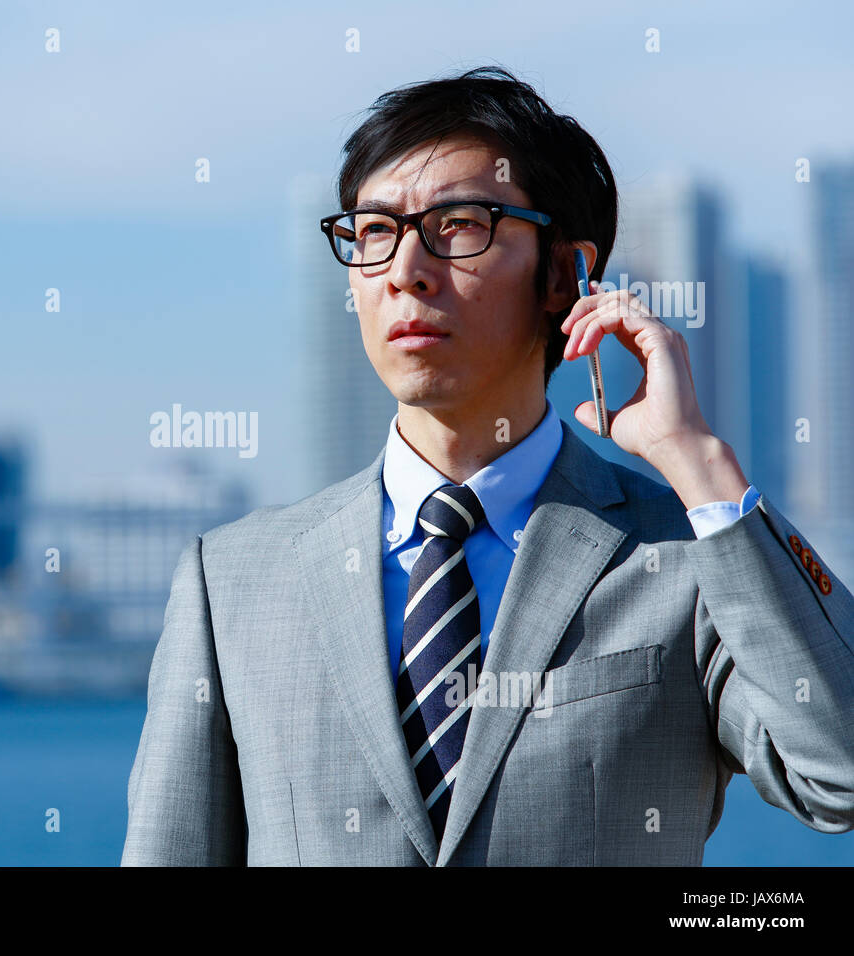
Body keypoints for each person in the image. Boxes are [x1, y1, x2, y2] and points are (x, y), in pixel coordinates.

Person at [121, 66, 854, 866]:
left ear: (566, 274)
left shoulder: (680, 557)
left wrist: (698, 463)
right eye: (373, 232)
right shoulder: (232, 581)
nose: (406, 269)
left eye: (459, 225)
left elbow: (840, 777)